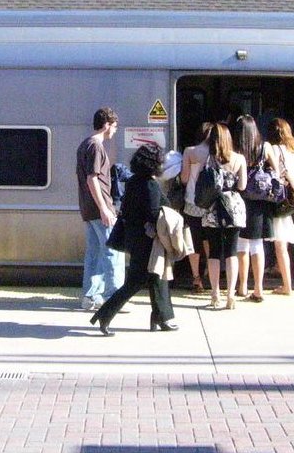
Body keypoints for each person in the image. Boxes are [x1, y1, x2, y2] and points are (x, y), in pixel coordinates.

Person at [89, 143, 176, 335]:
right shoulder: (150, 185)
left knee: (157, 278)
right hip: (148, 241)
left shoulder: (134, 182)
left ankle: (160, 318)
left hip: (135, 238)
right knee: (137, 281)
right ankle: (105, 315)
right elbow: (154, 214)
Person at [76, 107, 124, 311]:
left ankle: (90, 296)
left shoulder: (84, 145)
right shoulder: (96, 147)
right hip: (100, 208)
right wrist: (104, 208)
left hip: (88, 208)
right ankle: (114, 297)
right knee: (113, 252)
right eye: (114, 127)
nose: (114, 131)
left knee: (94, 254)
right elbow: (92, 178)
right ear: (106, 125)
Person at [199, 122, 248, 310]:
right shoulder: (239, 159)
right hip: (234, 206)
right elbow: (242, 186)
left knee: (214, 252)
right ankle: (231, 295)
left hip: (213, 206)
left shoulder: (208, 158)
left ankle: (214, 294)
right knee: (231, 251)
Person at [229, 114, 276, 303]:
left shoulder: (235, 149)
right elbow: (277, 173)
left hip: (240, 199)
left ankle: (242, 285)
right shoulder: (265, 147)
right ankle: (259, 287)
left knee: (241, 244)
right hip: (260, 201)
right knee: (257, 245)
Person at [268, 117, 294, 296]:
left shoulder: (275, 150)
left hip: (282, 200)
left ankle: (287, 286)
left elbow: (275, 175)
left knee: (280, 244)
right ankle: (282, 272)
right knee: (285, 242)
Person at [179, 122, 213, 294]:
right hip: (212, 205)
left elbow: (184, 179)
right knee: (209, 240)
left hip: (192, 203)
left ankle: (196, 277)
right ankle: (209, 272)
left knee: (193, 241)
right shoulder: (218, 152)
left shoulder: (190, 151)